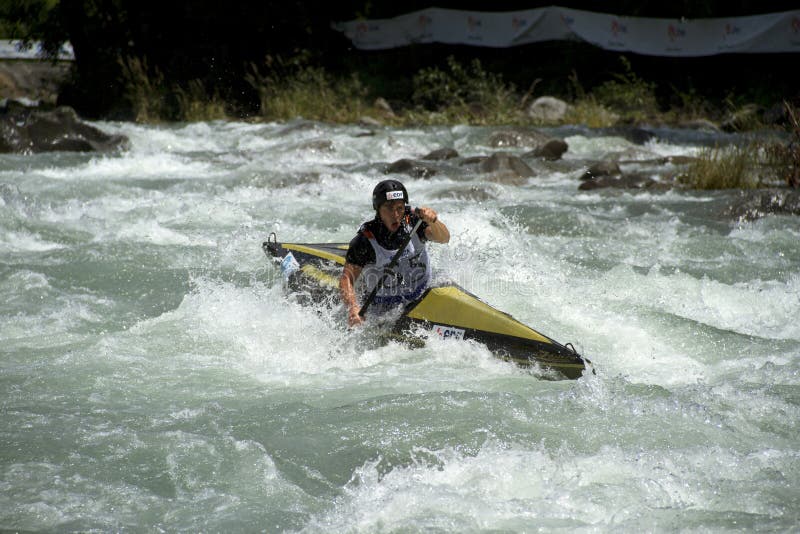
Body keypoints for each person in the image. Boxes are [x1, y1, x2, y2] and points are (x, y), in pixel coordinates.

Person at [339, 179, 450, 327]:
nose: (396, 214)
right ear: (378, 209)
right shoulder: (365, 241)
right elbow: (347, 279)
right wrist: (352, 307)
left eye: (400, 208)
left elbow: (444, 238)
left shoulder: (415, 221)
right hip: (384, 307)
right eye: (389, 208)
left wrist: (434, 221)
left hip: (424, 291)